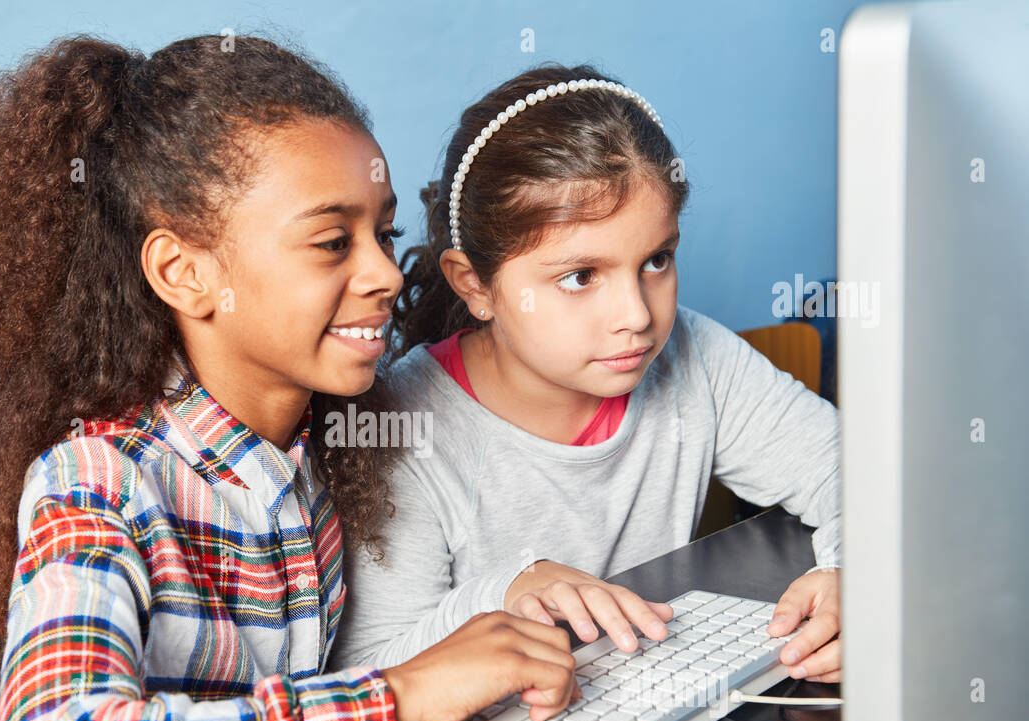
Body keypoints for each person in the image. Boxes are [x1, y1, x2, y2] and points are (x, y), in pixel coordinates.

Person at [0, 35, 581, 721]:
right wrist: (396, 699)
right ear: (184, 273)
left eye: (384, 232)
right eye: (332, 242)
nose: (387, 274)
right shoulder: (98, 482)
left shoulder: (329, 449)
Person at [330, 65, 843, 686]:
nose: (637, 316)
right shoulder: (400, 429)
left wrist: (853, 574)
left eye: (656, 260)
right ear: (475, 285)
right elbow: (374, 674)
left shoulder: (695, 355)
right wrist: (509, 590)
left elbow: (853, 475)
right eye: (580, 277)